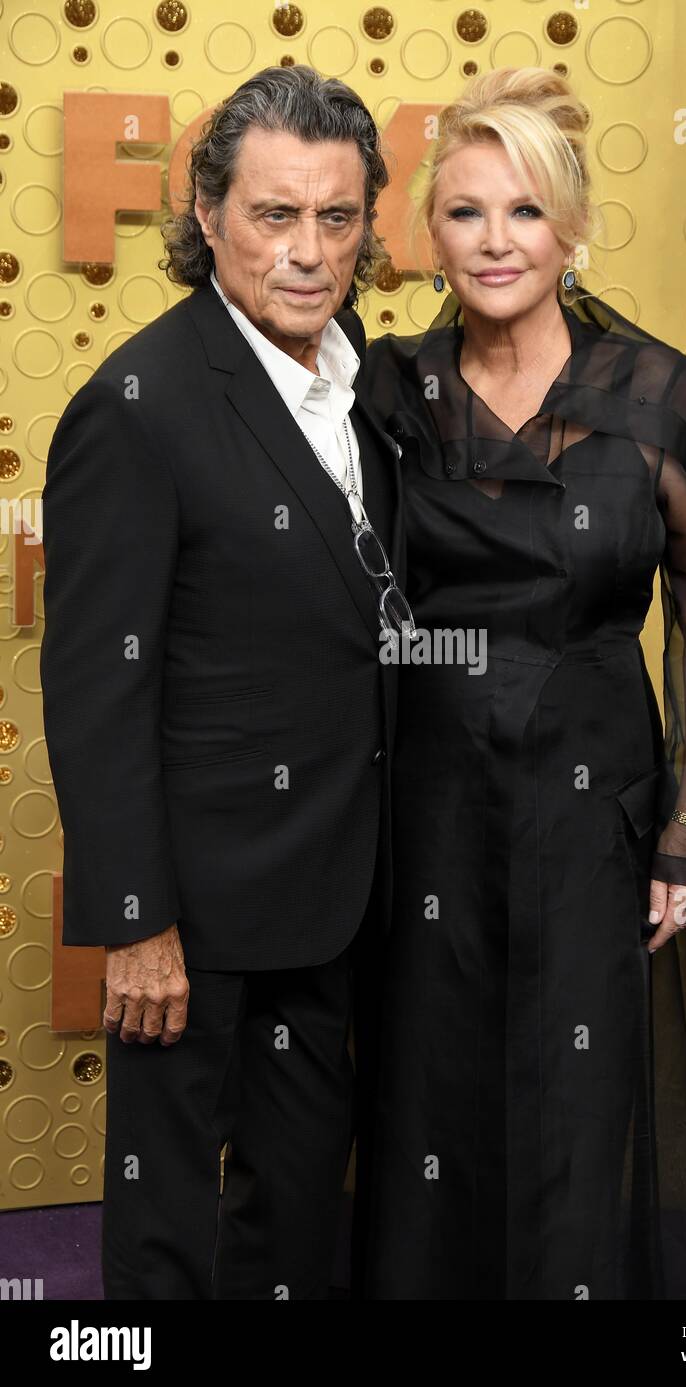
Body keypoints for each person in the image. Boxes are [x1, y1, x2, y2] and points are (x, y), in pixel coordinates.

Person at [356, 67, 686, 1299]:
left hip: (593, 801)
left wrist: (684, 843)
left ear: (571, 229)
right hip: (421, 796)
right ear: (430, 230)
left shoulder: (660, 396)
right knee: (427, 1091)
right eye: (465, 211)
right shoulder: (387, 388)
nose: (494, 242)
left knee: (576, 1102)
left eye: (524, 212)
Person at [40, 64, 407, 1300]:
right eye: (273, 214)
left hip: (332, 886)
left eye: (337, 217)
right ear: (206, 216)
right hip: (190, 913)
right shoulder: (138, 405)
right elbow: (96, 688)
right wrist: (136, 922)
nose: (308, 252)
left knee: (298, 1209)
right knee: (171, 1228)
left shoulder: (359, 375)